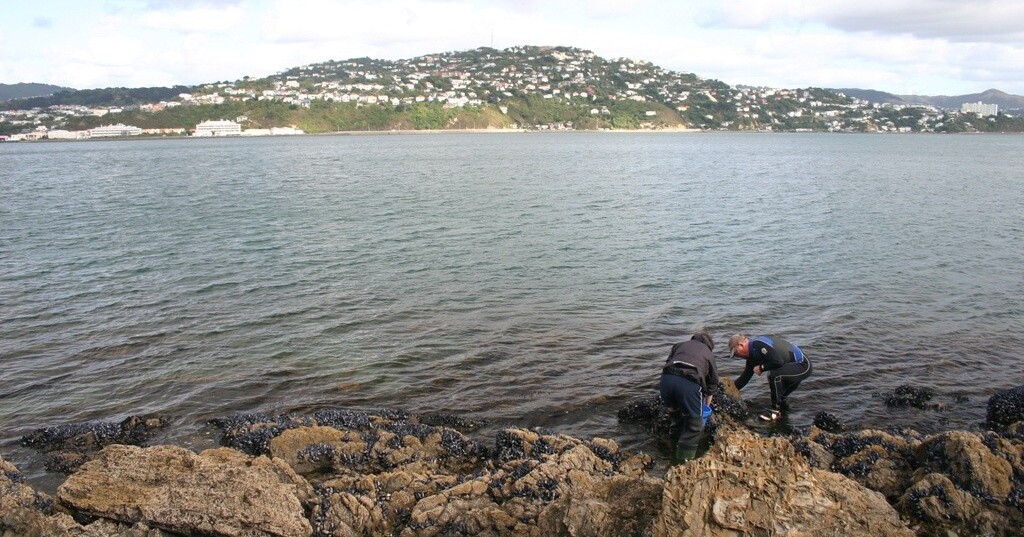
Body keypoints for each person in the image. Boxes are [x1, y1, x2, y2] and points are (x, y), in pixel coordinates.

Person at [659, 330, 718, 463]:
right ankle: (683, 462)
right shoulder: (708, 353)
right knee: (694, 427)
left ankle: (673, 454)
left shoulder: (679, 345)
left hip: (666, 380)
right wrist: (705, 407)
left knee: (675, 418)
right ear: (709, 345)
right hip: (689, 382)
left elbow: (668, 363)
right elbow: (712, 384)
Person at [727, 334, 812, 421]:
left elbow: (778, 362)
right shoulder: (752, 356)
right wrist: (728, 390)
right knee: (781, 398)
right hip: (791, 367)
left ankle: (775, 412)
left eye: (736, 353)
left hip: (803, 365)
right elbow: (744, 378)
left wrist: (761, 368)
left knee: (774, 375)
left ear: (741, 345)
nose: (737, 356)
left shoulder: (758, 345)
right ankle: (782, 417)